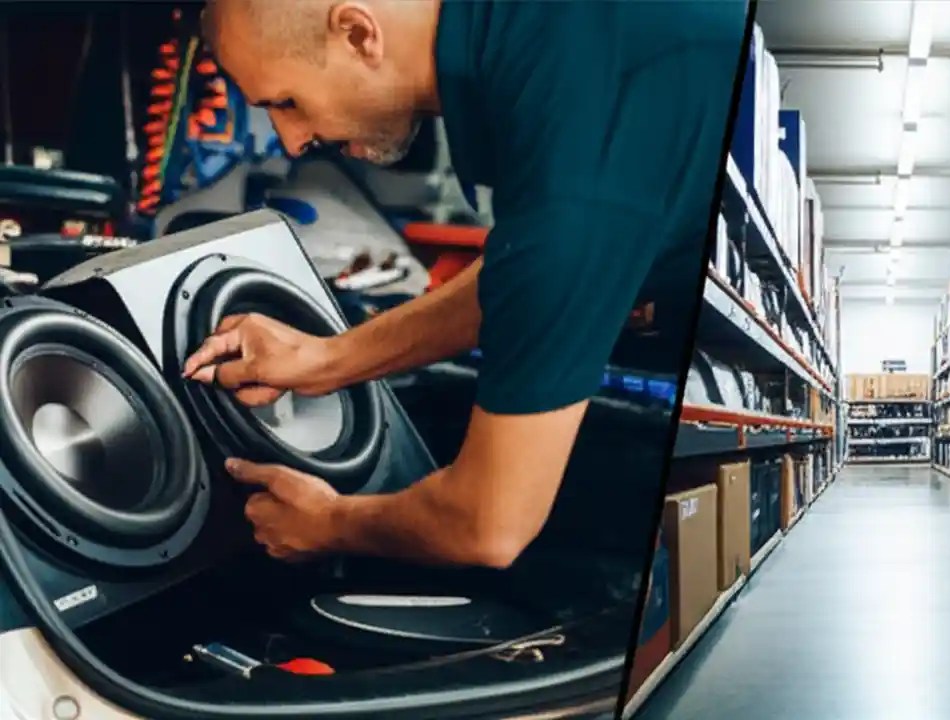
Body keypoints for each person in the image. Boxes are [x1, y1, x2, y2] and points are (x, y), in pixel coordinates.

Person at [186, 0, 746, 567]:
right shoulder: (539, 41)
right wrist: (328, 359)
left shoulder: (575, 150)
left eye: (286, 103)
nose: (290, 141)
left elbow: (488, 525)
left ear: (357, 33)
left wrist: (328, 522)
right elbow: (521, 277)